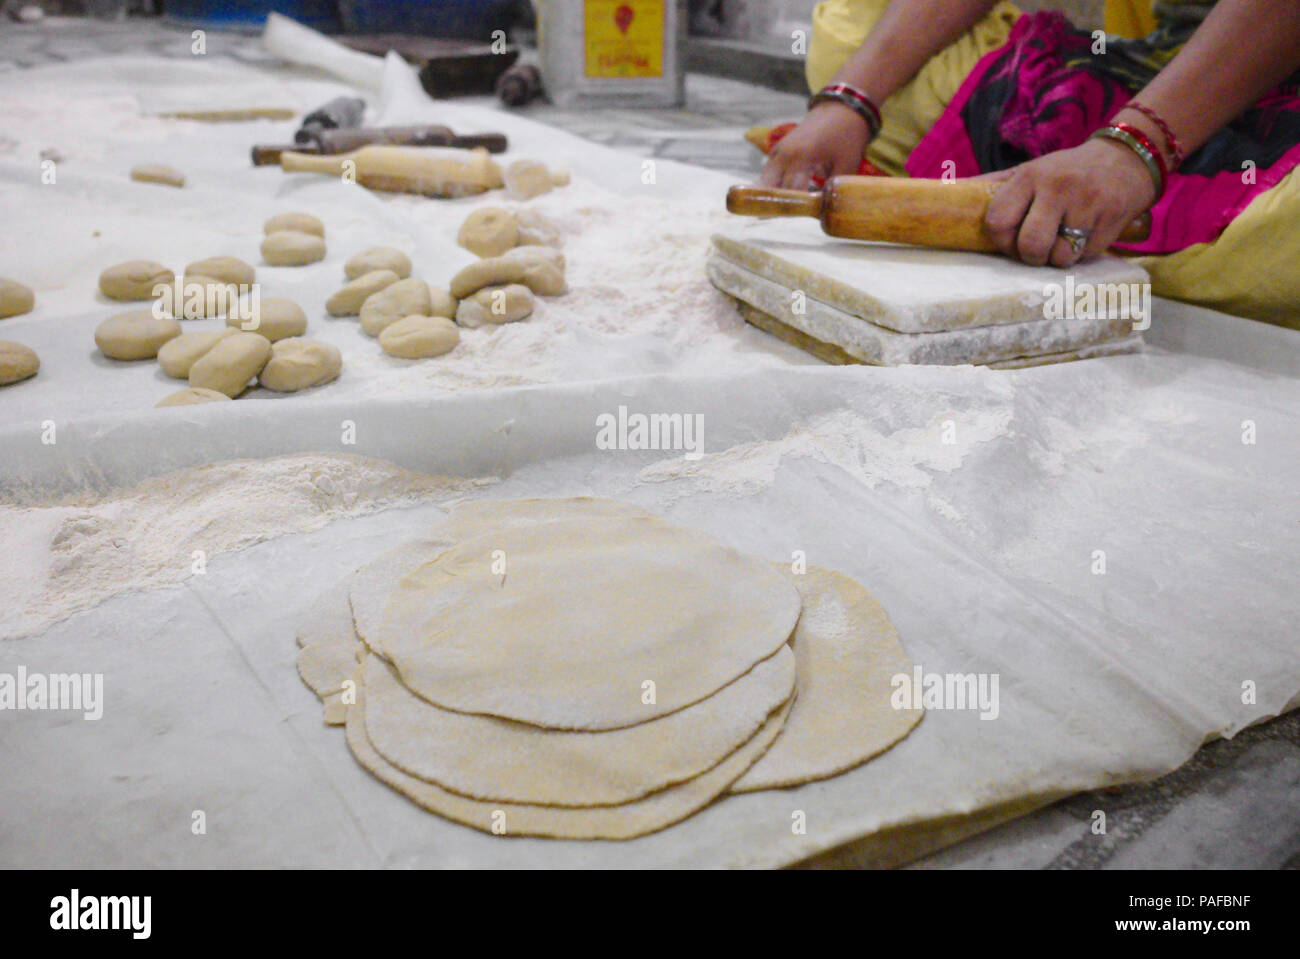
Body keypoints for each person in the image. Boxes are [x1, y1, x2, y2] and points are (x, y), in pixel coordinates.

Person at [760, 0, 1300, 328]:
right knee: (851, 29)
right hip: (1169, 66)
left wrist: (1135, 149)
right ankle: (1081, 207)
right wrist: (849, 100)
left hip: (1263, 99)